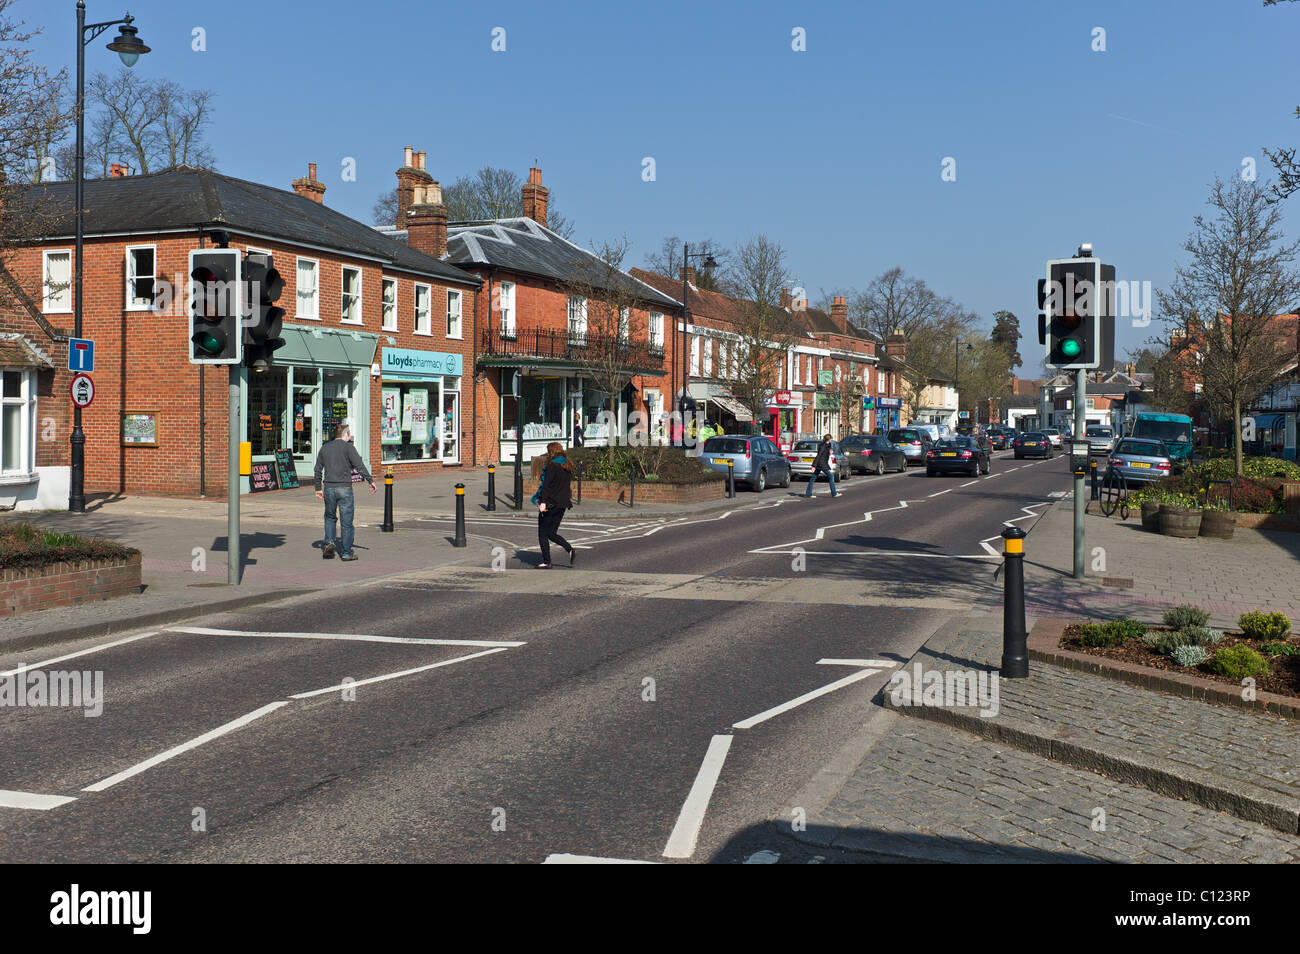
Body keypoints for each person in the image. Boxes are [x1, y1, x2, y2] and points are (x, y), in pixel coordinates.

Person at [314, 424, 377, 561]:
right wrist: (370, 481)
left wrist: (318, 488)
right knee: (346, 522)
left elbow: (317, 469)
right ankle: (347, 552)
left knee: (330, 517)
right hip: (345, 489)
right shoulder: (349, 448)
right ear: (346, 434)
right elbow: (359, 465)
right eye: (350, 433)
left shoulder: (325, 448)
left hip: (329, 488)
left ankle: (330, 542)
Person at [535, 441, 575, 568]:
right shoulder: (566, 466)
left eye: (548, 451)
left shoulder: (552, 466)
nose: (547, 454)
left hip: (550, 504)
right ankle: (569, 549)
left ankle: (546, 562)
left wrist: (542, 503)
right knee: (551, 533)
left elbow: (547, 486)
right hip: (562, 504)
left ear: (551, 452)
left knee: (542, 533)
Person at [804, 433, 838, 498]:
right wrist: (814, 465)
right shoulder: (823, 446)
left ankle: (808, 493)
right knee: (831, 476)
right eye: (831, 439)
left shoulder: (827, 445)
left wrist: (830, 452)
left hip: (822, 463)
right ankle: (834, 493)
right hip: (822, 464)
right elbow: (819, 455)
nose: (831, 440)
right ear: (829, 439)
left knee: (813, 478)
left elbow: (828, 452)